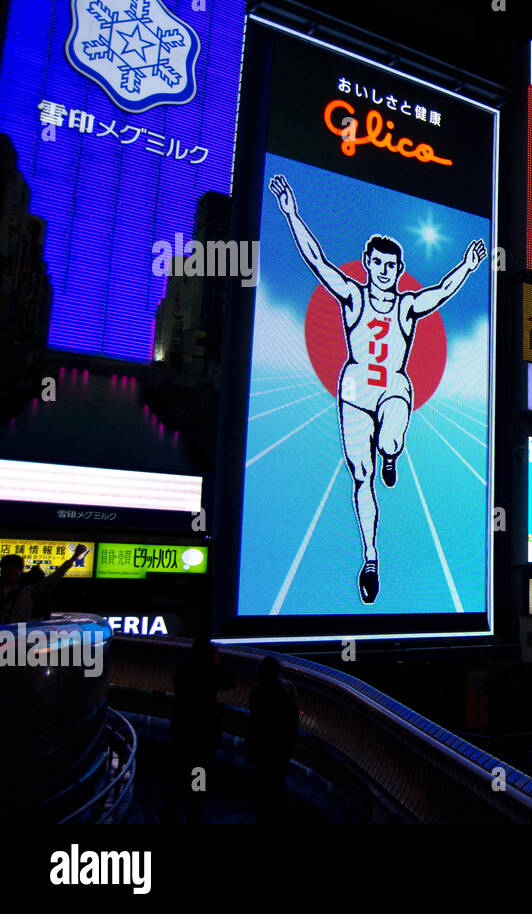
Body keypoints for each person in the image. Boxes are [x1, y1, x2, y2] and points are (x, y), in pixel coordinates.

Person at [268, 173, 487, 605]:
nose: (386, 272)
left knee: (390, 436)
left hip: (393, 389)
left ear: (399, 270)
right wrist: (291, 213)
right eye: (379, 264)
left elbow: (440, 293)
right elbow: (317, 262)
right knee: (360, 476)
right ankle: (371, 556)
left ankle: (391, 453)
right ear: (368, 263)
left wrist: (467, 265)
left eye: (393, 266)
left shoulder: (406, 306)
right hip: (353, 392)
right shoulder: (352, 296)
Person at [168, 637, 236, 824]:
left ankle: (172, 812)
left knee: (179, 774)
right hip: (204, 735)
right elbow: (230, 681)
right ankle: (194, 813)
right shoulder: (210, 673)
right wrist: (216, 663)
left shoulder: (182, 670)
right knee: (199, 774)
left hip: (182, 730)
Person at [247, 655, 300, 824]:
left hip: (261, 745)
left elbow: (254, 721)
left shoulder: (255, 692)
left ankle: (261, 817)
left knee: (261, 784)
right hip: (280, 746)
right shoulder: (288, 690)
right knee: (277, 783)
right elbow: (293, 719)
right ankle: (276, 817)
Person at [0, 544, 87, 624]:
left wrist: (74, 557)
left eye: (14, 569)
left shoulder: (28, 592)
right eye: (6, 569)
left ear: (21, 571)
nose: (9, 572)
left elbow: (53, 579)